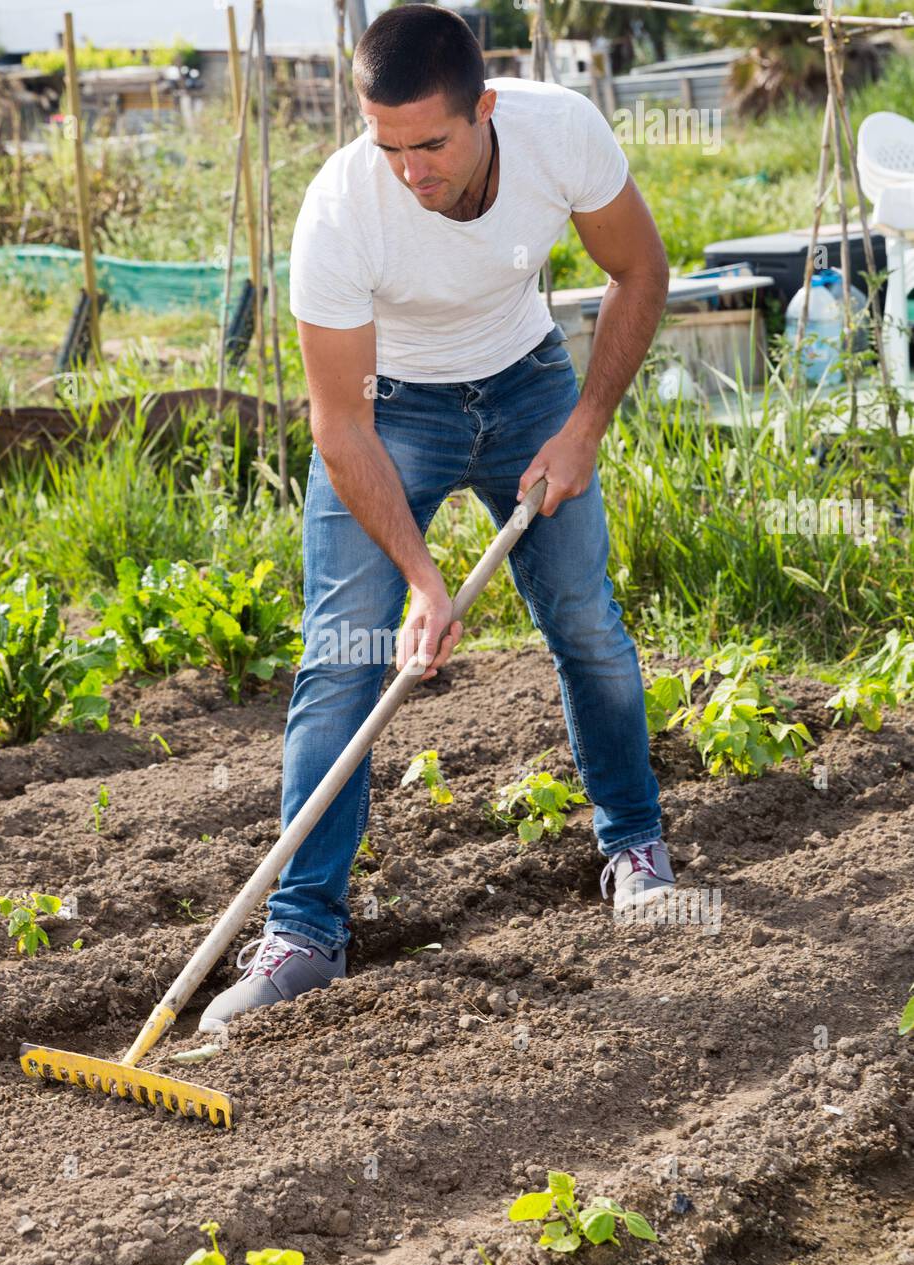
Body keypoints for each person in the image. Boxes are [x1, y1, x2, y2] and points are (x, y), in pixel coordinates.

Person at [200, 3, 675, 1033]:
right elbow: (337, 424)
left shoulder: (559, 132)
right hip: (389, 416)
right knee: (342, 656)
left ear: (484, 109)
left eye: (432, 143)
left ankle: (632, 841)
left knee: (584, 623)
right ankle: (302, 934)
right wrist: (422, 579)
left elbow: (638, 271)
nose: (410, 169)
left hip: (528, 386)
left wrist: (585, 425)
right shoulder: (337, 212)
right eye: (388, 145)